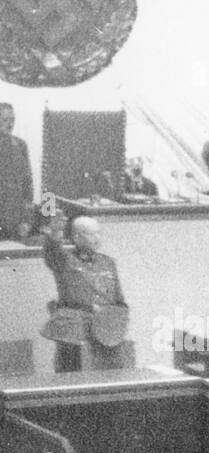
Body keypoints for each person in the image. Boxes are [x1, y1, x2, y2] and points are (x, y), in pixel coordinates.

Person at [39, 213, 131, 372]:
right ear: (76, 237)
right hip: (74, 333)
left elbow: (119, 300)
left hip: (106, 333)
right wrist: (54, 234)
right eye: (90, 234)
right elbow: (52, 251)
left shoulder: (108, 262)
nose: (97, 238)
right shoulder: (64, 260)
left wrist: (117, 322)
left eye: (98, 233)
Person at [0, 101, 33, 241]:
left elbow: (27, 185)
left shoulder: (20, 146)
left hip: (15, 220)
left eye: (12, 120)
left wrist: (26, 220)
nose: (10, 124)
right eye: (5, 120)